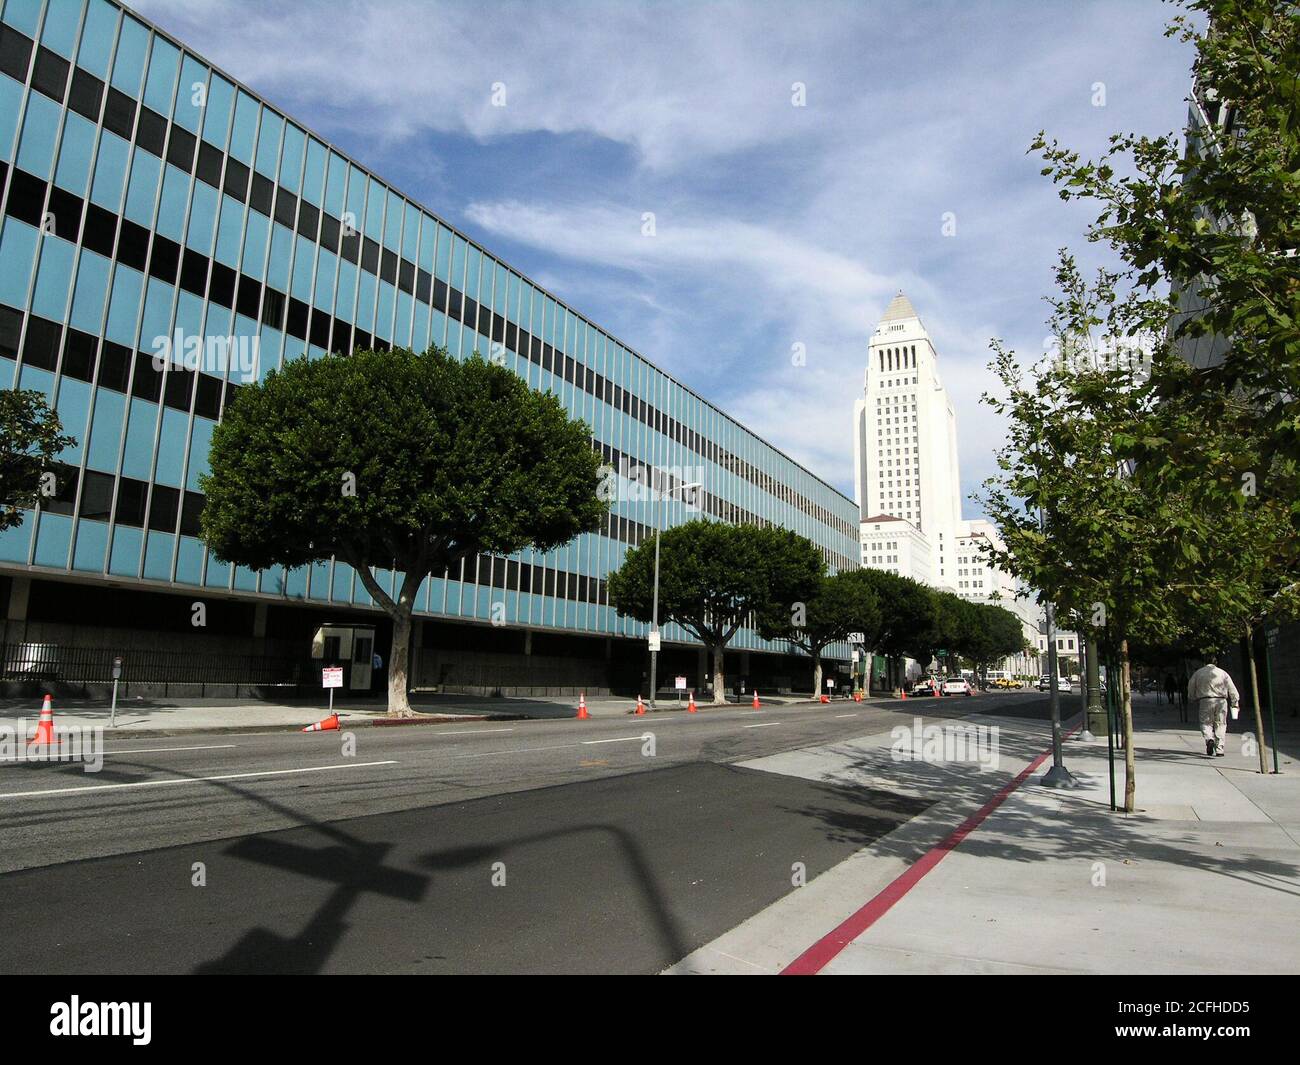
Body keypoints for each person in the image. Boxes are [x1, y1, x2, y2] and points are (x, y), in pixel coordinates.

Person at [1186, 656, 1240, 758]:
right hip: (1221, 700)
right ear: (1216, 662)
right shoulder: (1223, 673)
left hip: (1205, 700)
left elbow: (1191, 686)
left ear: (1204, 662)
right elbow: (1232, 688)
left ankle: (1209, 739)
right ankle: (1220, 748)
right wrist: (1235, 702)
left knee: (1205, 722)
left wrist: (1192, 697)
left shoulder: (1198, 673)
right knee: (1221, 724)